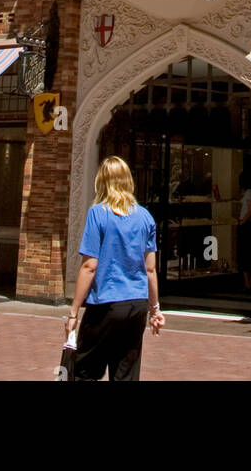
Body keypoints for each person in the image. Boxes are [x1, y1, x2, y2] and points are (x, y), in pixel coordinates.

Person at [66, 156, 165, 382]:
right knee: (126, 373)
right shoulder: (145, 217)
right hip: (136, 306)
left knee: (85, 370)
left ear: (101, 181)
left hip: (106, 304)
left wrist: (73, 311)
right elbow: (151, 270)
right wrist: (154, 309)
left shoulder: (98, 213)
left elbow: (90, 266)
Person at [237, 172, 251, 292]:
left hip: (246, 226)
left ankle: (248, 283)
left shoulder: (249, 192)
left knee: (245, 254)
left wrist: (242, 221)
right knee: (250, 254)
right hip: (250, 226)